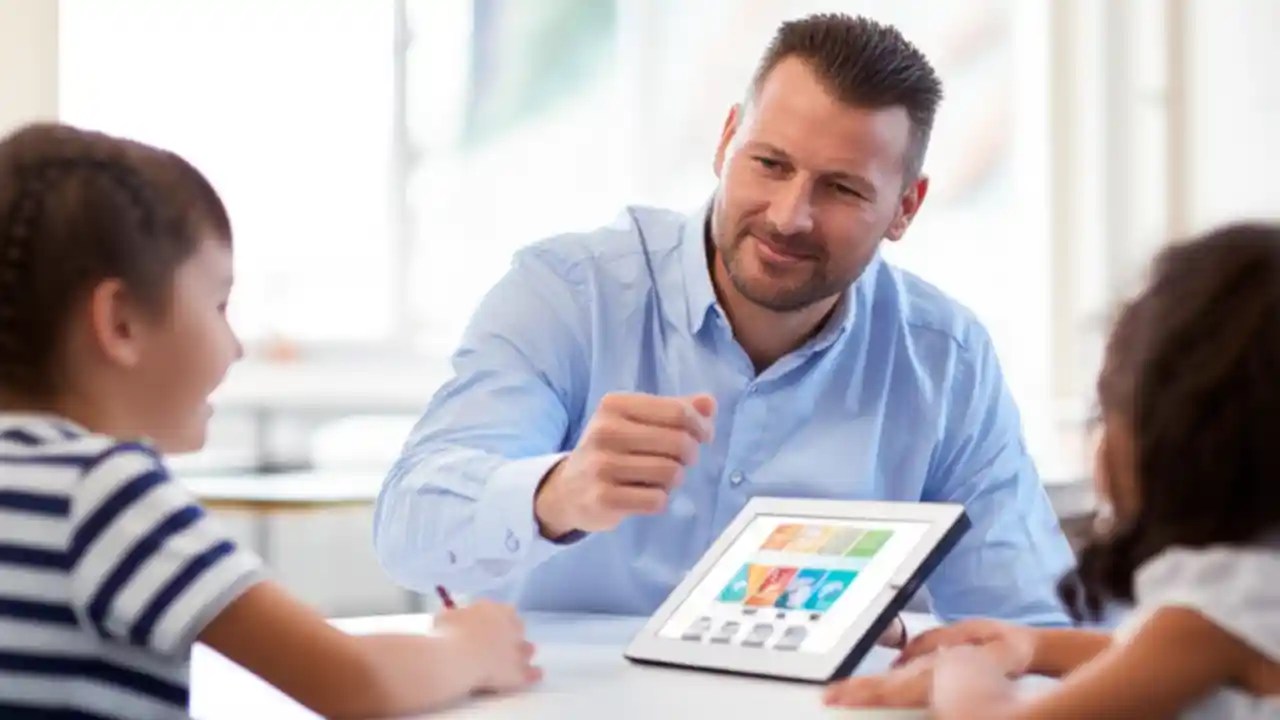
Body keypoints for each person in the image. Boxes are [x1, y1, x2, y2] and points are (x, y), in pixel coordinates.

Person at [374, 13, 1073, 640]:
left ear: (905, 208)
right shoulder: (566, 294)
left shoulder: (944, 361)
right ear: (726, 142)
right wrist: (556, 494)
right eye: (770, 164)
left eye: (842, 188)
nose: (788, 215)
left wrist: (917, 646)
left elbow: (1028, 619)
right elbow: (408, 527)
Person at [0, 123, 539, 719]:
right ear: (121, 322)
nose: (235, 347)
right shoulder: (98, 493)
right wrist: (470, 649)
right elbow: (353, 682)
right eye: (219, 304)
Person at [825, 223, 1280, 718]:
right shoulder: (1244, 594)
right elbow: (1148, 661)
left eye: (1105, 410)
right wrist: (1031, 646)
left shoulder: (1223, 598)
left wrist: (963, 674)